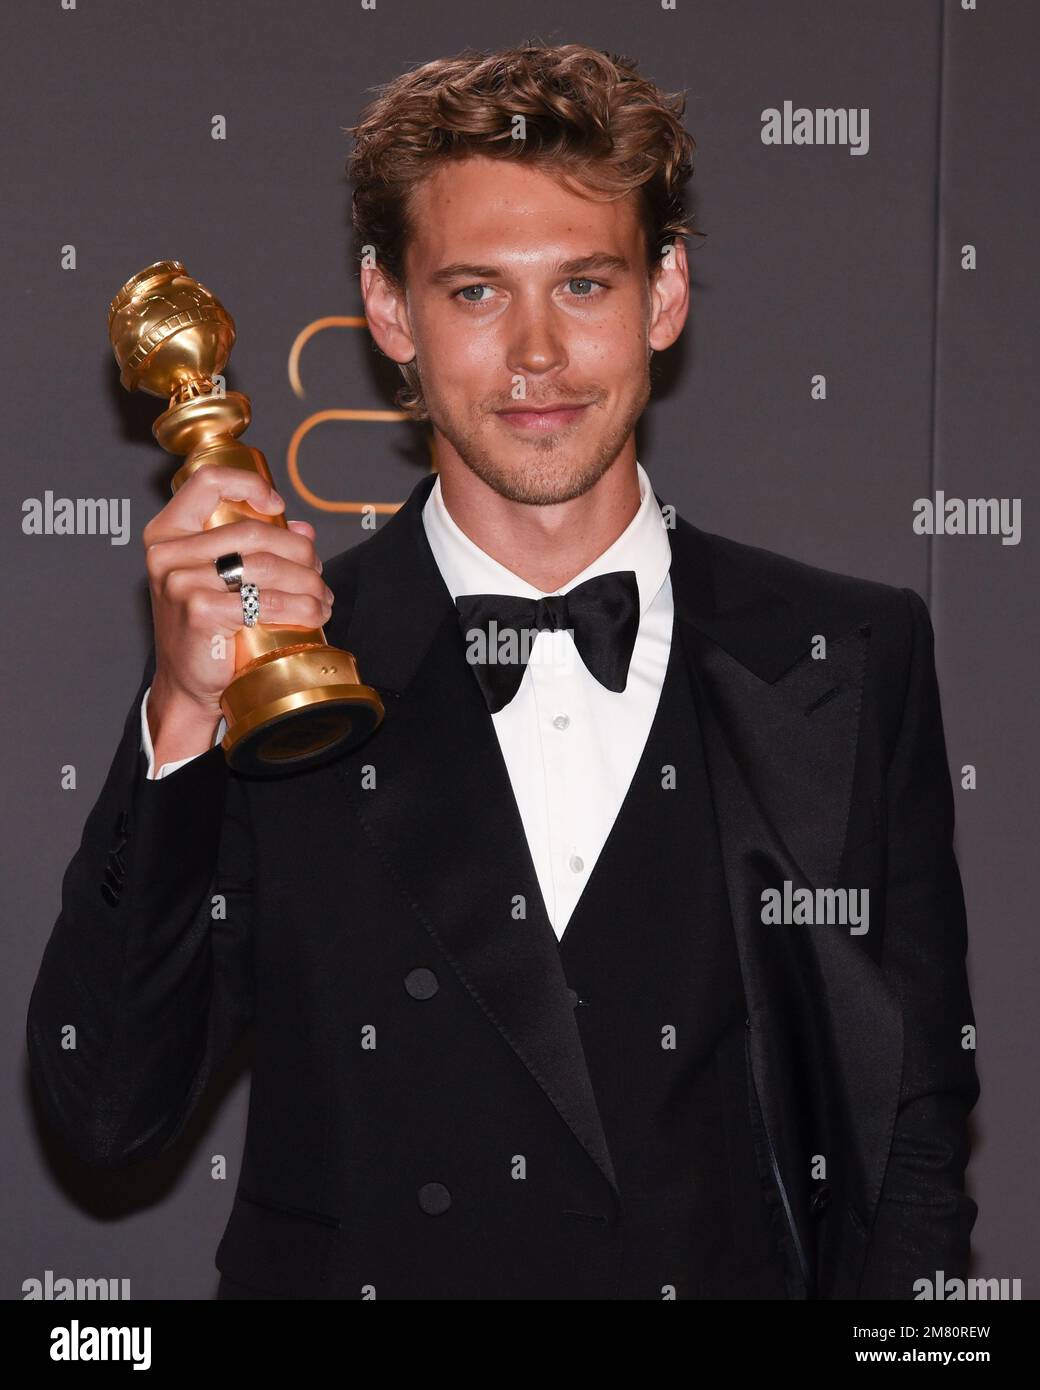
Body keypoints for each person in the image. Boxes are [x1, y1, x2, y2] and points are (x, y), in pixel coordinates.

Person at [26, 42, 979, 1300]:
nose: (535, 356)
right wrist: (186, 712)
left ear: (664, 294)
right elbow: (103, 1108)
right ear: (386, 310)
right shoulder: (281, 661)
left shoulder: (842, 652)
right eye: (475, 293)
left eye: (583, 284)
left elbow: (908, 1132)